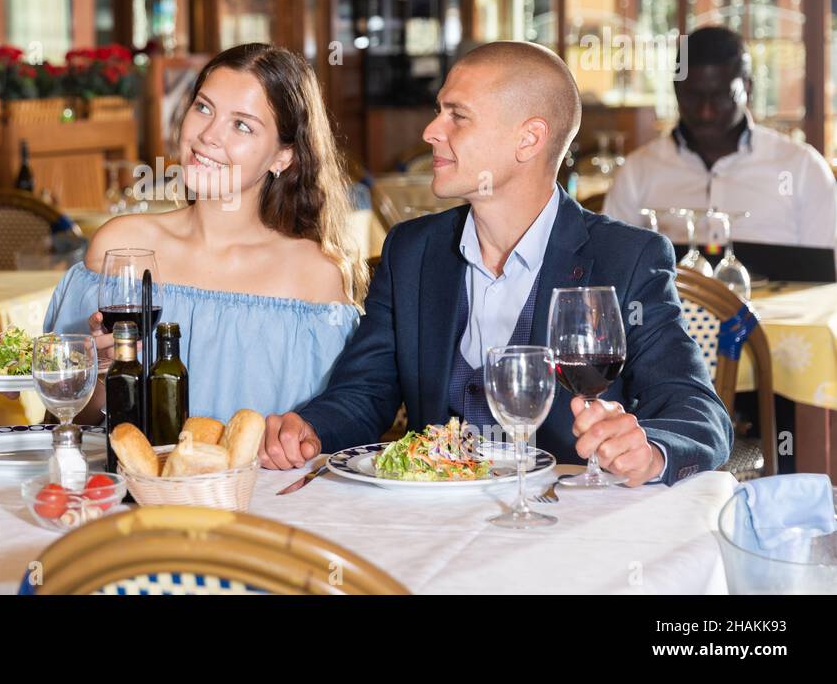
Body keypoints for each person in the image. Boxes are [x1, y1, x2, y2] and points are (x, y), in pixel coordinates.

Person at [262, 41, 733, 485]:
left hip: (568, 531)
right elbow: (365, 392)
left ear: (528, 140)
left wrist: (650, 449)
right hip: (436, 522)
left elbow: (698, 412)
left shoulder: (626, 258)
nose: (430, 131)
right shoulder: (413, 251)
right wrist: (311, 429)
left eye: (457, 116)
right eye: (437, 111)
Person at [44, 44, 364, 421]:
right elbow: (67, 421)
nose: (209, 135)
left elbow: (327, 432)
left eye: (242, 125)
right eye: (203, 107)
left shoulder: (313, 276)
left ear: (284, 156)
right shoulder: (120, 248)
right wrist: (96, 374)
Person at [604, 26, 836, 252]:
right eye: (693, 97)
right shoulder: (637, 173)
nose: (706, 111)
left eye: (721, 97)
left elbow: (828, 276)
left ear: (748, 88)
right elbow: (611, 268)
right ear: (676, 90)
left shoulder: (802, 168)